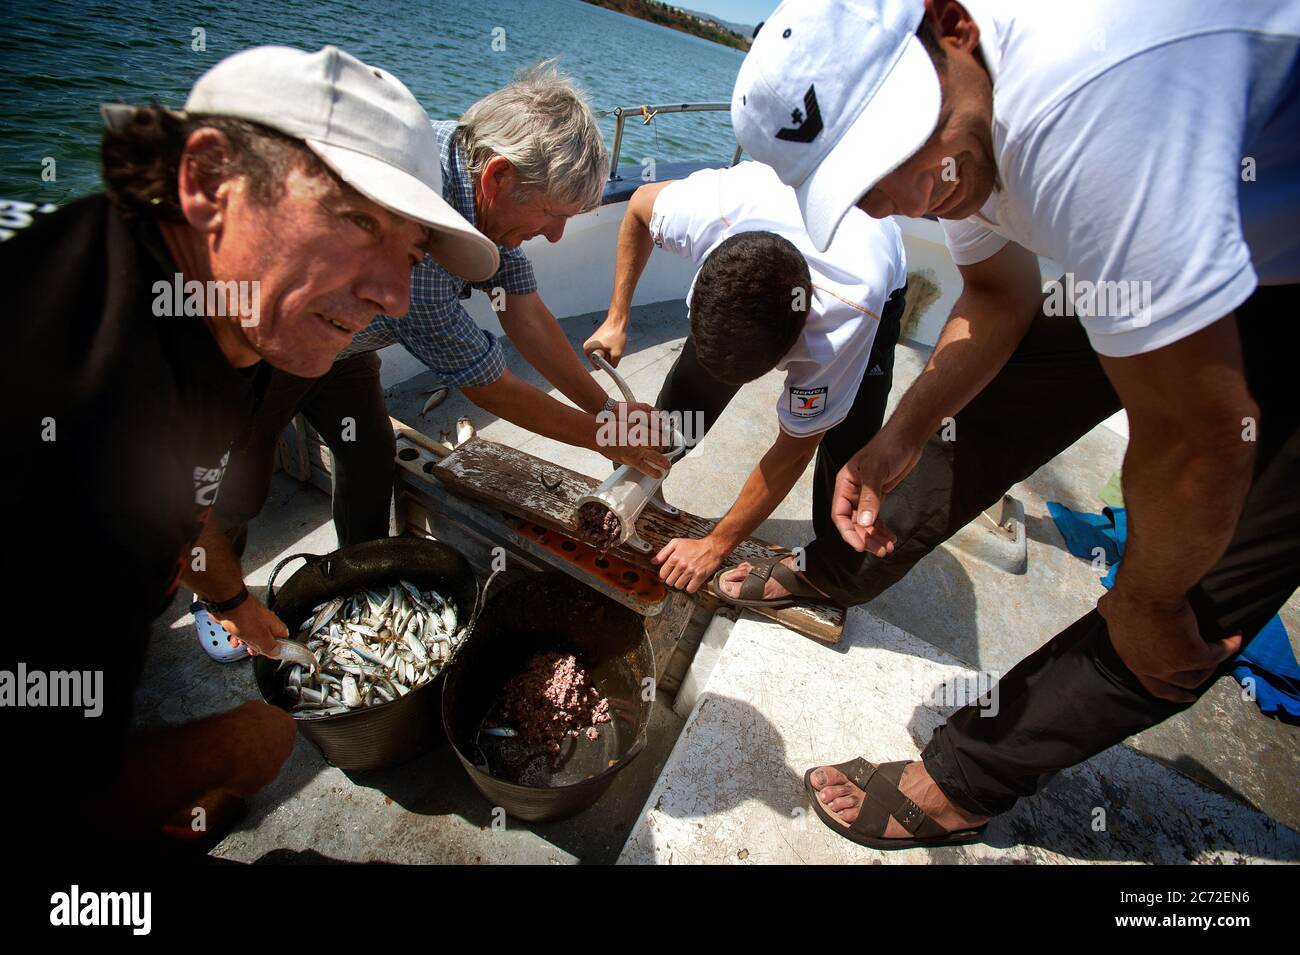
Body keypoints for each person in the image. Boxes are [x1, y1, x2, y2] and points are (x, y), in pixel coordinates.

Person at [733, 0, 1299, 848]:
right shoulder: (955, 122)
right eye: (860, 178)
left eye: (895, 144)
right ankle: (835, 572)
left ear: (952, 23)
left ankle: (970, 776)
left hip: (1282, 274)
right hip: (1171, 226)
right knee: (987, 408)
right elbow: (1001, 297)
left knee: (1192, 599)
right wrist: (901, 434)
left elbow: (1197, 437)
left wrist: (1142, 595)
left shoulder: (1086, 105)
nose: (908, 198)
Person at [0, 44, 497, 852]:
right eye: (358, 219)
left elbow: (186, 512)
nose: (394, 293)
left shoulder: (226, 325)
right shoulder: (79, 423)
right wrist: (224, 747)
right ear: (207, 183)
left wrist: (237, 606)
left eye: (409, 252)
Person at [207, 62, 669, 655]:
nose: (556, 236)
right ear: (499, 179)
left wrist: (608, 411)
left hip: (350, 342)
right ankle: (217, 597)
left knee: (368, 453)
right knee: (243, 474)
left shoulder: (476, 175)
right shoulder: (419, 243)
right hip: (283, 340)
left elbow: (523, 311)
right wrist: (604, 439)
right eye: (552, 215)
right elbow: (489, 386)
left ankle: (360, 577)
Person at [584, 160, 907, 602]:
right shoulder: (708, 213)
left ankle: (827, 566)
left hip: (876, 281)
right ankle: (640, 489)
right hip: (759, 240)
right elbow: (639, 207)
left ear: (792, 348)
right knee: (683, 411)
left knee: (849, 449)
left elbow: (793, 450)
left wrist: (716, 545)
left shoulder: (843, 320)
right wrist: (616, 316)